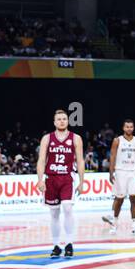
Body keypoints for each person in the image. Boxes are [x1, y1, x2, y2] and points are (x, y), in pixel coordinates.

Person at [37, 109, 85, 258]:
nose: (62, 121)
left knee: (68, 208)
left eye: (64, 119)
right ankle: (56, 245)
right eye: (59, 119)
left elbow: (80, 160)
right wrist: (40, 179)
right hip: (51, 178)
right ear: (54, 122)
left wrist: (82, 181)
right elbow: (41, 160)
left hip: (67, 177)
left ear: (68, 121)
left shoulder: (76, 138)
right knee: (54, 213)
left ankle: (69, 243)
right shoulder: (47, 138)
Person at [102, 119, 135, 235]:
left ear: (133, 128)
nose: (129, 129)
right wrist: (111, 172)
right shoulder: (117, 141)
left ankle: (134, 227)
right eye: (127, 127)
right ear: (123, 128)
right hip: (121, 171)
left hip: (134, 171)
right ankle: (114, 224)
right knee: (119, 199)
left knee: (134, 198)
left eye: (131, 127)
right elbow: (112, 156)